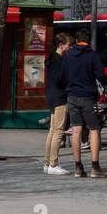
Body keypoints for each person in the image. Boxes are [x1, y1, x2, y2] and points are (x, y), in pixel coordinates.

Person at [63, 32, 107, 178]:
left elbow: (63, 74)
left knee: (76, 131)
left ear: (76, 40)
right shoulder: (92, 55)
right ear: (88, 41)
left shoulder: (68, 55)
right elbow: (101, 75)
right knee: (94, 129)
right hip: (88, 96)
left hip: (72, 96)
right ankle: (95, 167)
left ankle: (78, 167)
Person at [42, 32, 70, 175]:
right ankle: (54, 163)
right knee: (59, 131)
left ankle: (47, 163)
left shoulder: (51, 58)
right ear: (61, 45)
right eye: (67, 44)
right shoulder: (61, 60)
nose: (69, 47)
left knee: (52, 131)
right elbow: (60, 79)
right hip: (60, 97)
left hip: (51, 96)